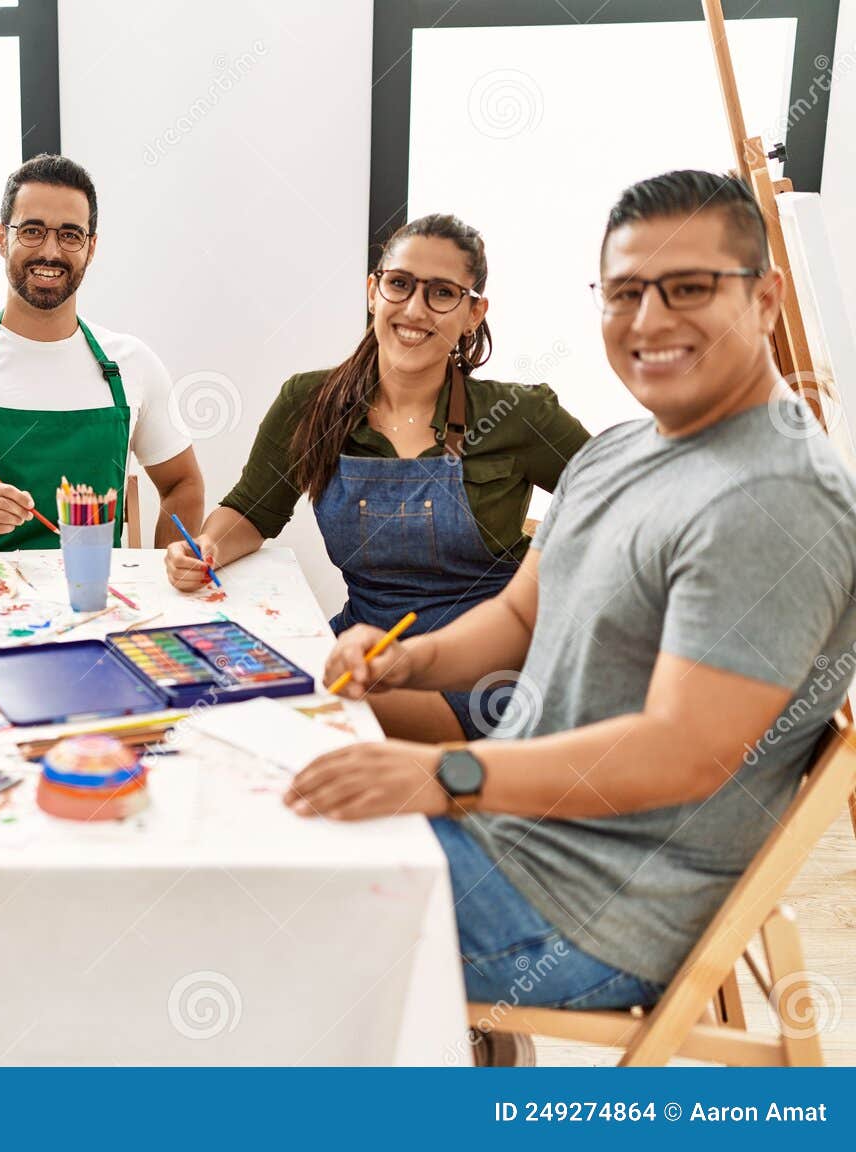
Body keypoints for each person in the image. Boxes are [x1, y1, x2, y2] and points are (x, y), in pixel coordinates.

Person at [289, 171, 856, 1034]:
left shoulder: (773, 498)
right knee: (247, 822)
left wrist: (446, 773)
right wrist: (413, 658)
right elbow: (519, 615)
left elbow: (683, 752)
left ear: (768, 297)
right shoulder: (621, 449)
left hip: (587, 907)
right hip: (513, 835)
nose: (650, 318)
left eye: (690, 287)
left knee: (241, 903)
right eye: (625, 291)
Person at [166, 213, 590, 741]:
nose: (414, 309)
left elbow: (620, 503)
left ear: (474, 311)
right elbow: (252, 512)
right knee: (228, 691)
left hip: (485, 666)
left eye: (441, 293)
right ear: (374, 290)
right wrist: (206, 546)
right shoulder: (309, 403)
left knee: (300, 721)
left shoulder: (518, 415)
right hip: (365, 644)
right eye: (400, 284)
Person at [0, 153, 205, 549]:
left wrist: (165, 572)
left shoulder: (133, 363)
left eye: (70, 235)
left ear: (91, 247)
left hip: (99, 603)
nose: (51, 251)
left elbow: (182, 484)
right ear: (3, 238)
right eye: (32, 230)